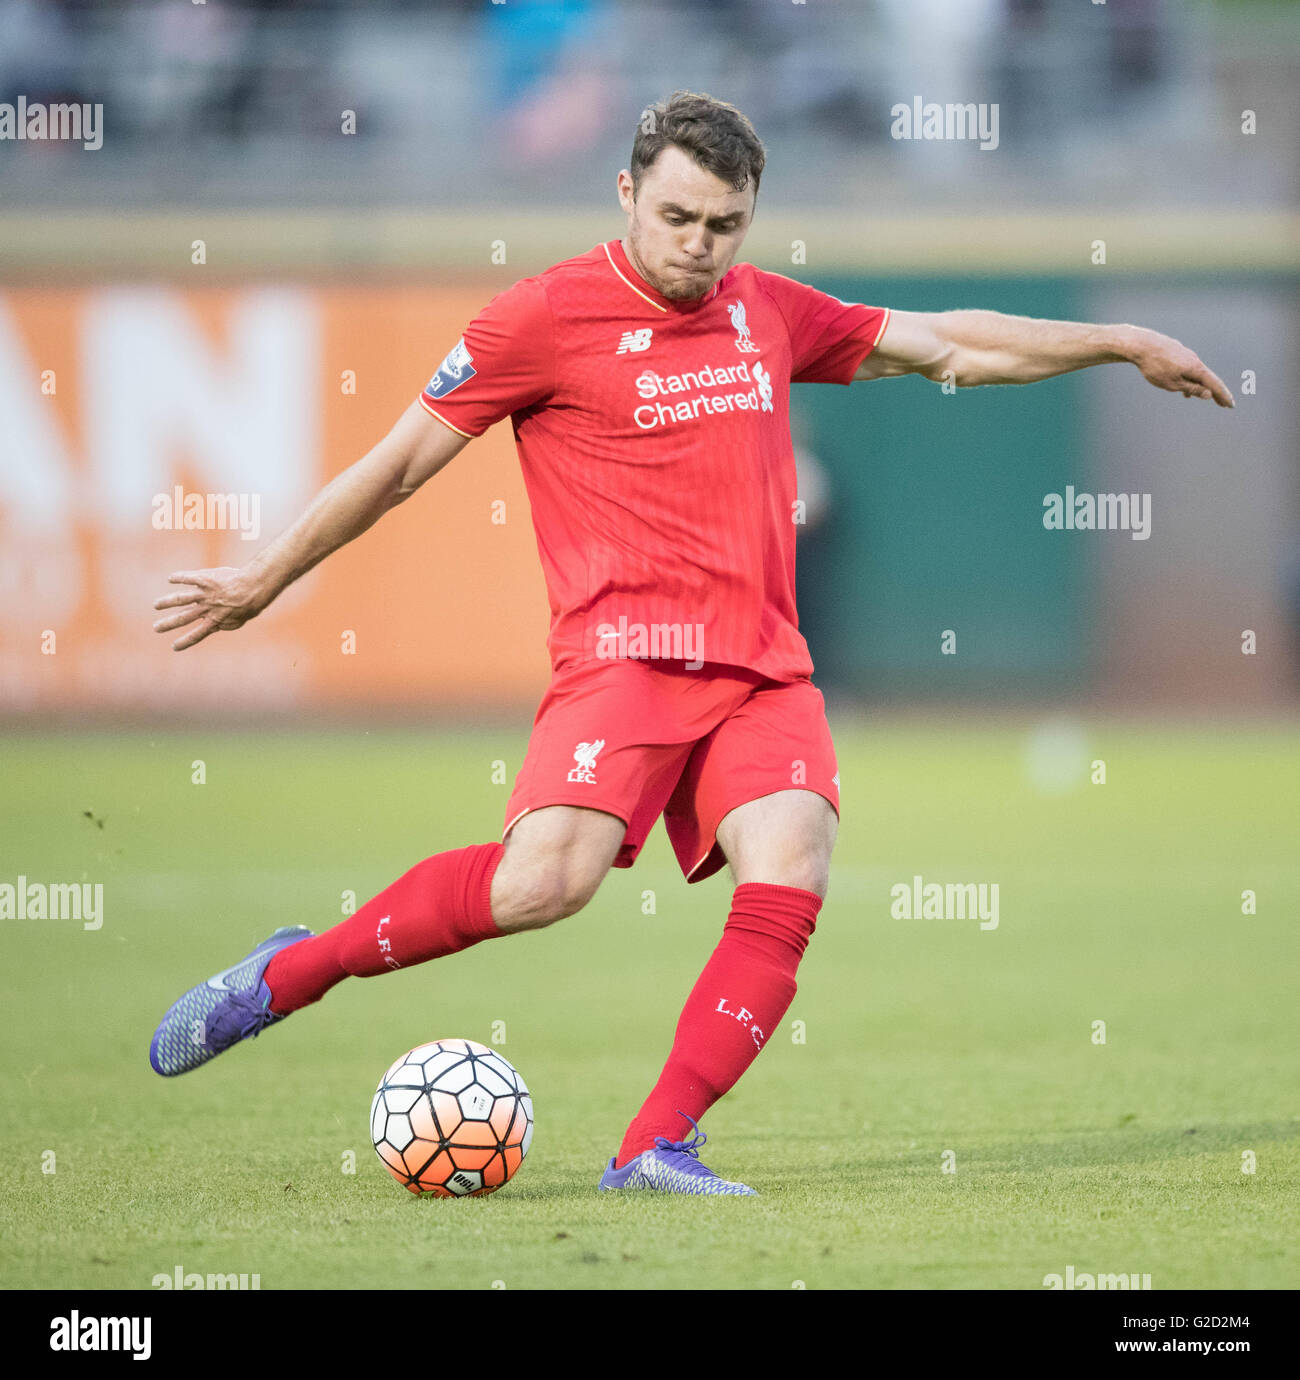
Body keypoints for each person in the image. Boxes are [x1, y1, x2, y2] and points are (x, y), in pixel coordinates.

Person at [148, 90, 1233, 1196]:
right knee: (543, 886)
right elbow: (396, 465)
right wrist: (263, 579)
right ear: (625, 192)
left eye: (723, 225)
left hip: (762, 668)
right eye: (675, 218)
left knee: (793, 866)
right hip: (621, 659)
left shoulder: (763, 309)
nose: (698, 247)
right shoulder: (538, 319)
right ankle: (294, 970)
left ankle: (653, 1144)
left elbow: (949, 344)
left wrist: (1118, 340)